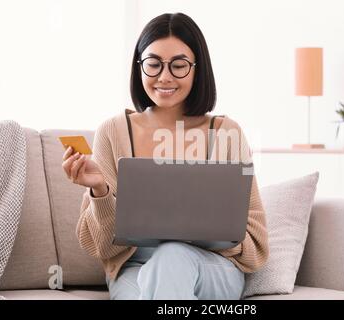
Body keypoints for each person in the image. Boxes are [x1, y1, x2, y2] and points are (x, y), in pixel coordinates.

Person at [61, 12, 268, 300]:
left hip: (211, 268)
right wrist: (100, 190)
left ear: (198, 69)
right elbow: (102, 248)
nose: (165, 77)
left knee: (172, 256)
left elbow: (256, 243)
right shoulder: (112, 131)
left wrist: (205, 235)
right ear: (139, 67)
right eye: (154, 65)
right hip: (135, 268)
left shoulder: (226, 132)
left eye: (179, 66)